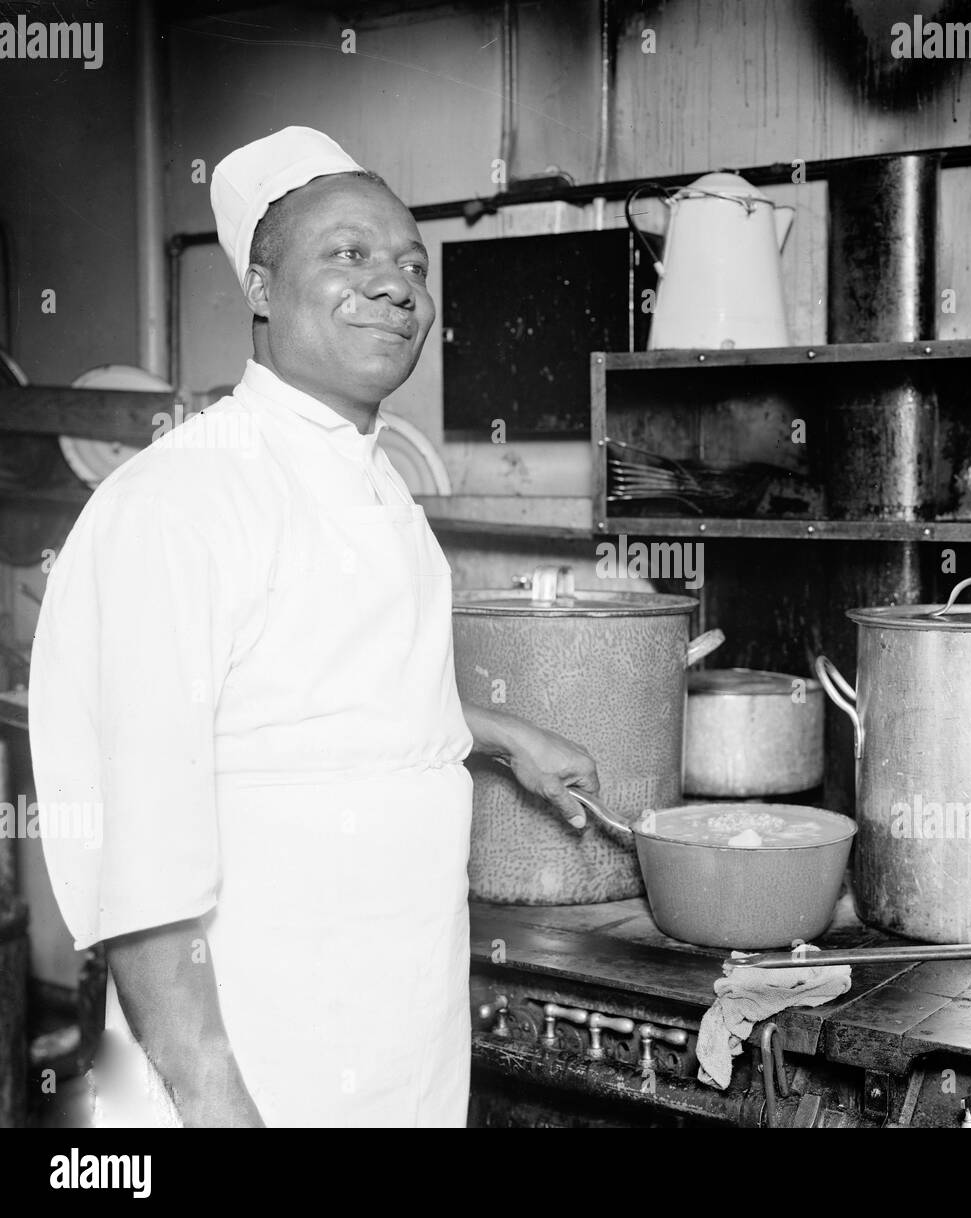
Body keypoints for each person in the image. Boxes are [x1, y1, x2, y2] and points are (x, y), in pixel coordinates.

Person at [29, 126, 599, 1128]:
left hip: (397, 1043)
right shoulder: (184, 499)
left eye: (412, 265)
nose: (395, 285)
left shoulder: (382, 497)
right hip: (250, 1058)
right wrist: (212, 1100)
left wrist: (505, 739)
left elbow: (337, 711)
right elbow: (142, 843)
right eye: (348, 254)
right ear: (258, 289)